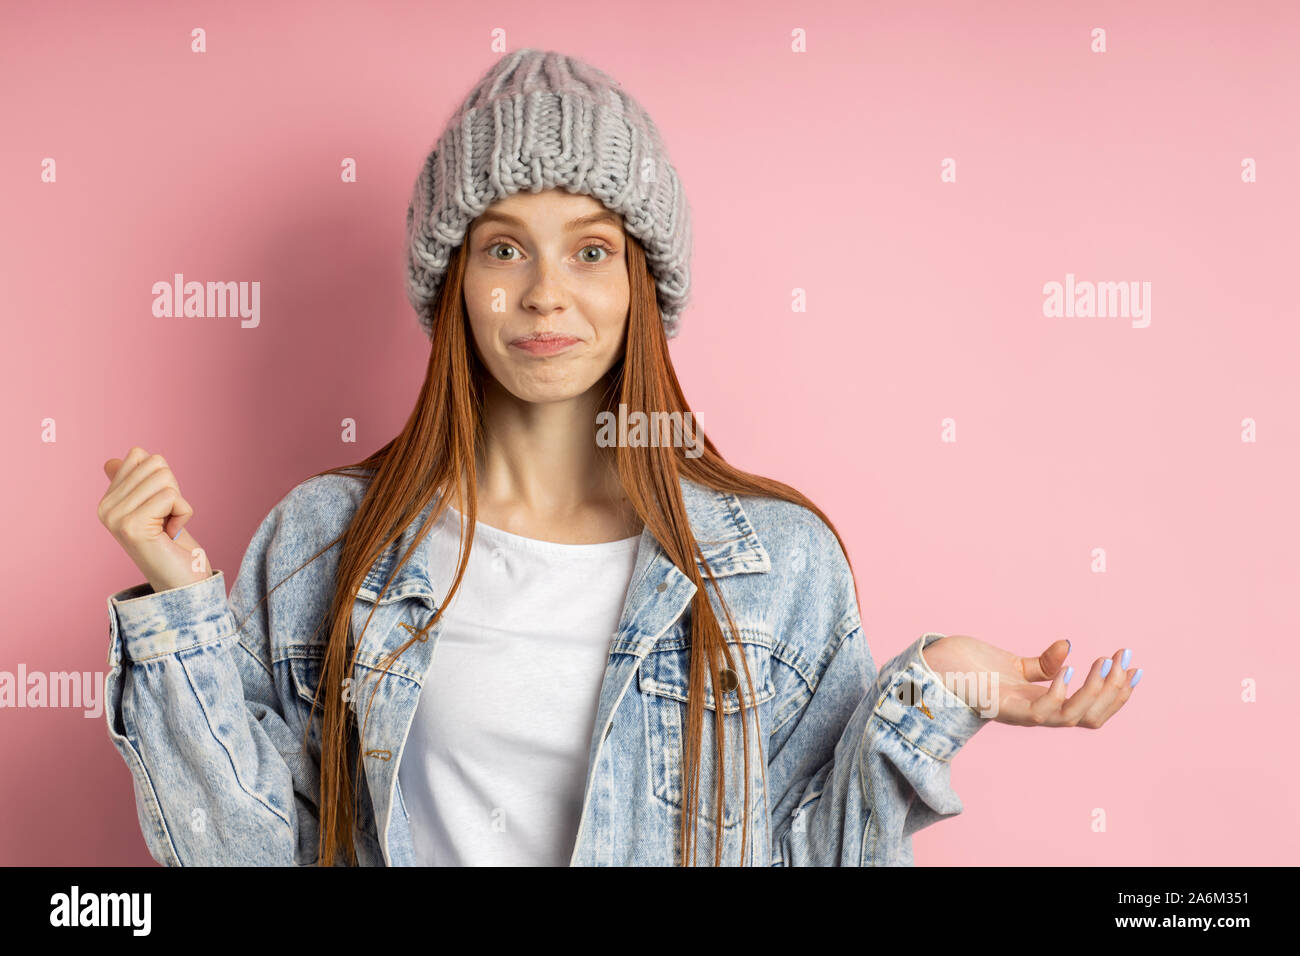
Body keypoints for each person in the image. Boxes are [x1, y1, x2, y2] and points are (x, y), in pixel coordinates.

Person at [96, 48, 1142, 867]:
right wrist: (181, 601)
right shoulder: (324, 540)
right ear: (453, 279)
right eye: (503, 246)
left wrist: (935, 693)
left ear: (642, 279)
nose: (545, 292)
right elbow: (246, 852)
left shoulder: (776, 564)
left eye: (590, 248)